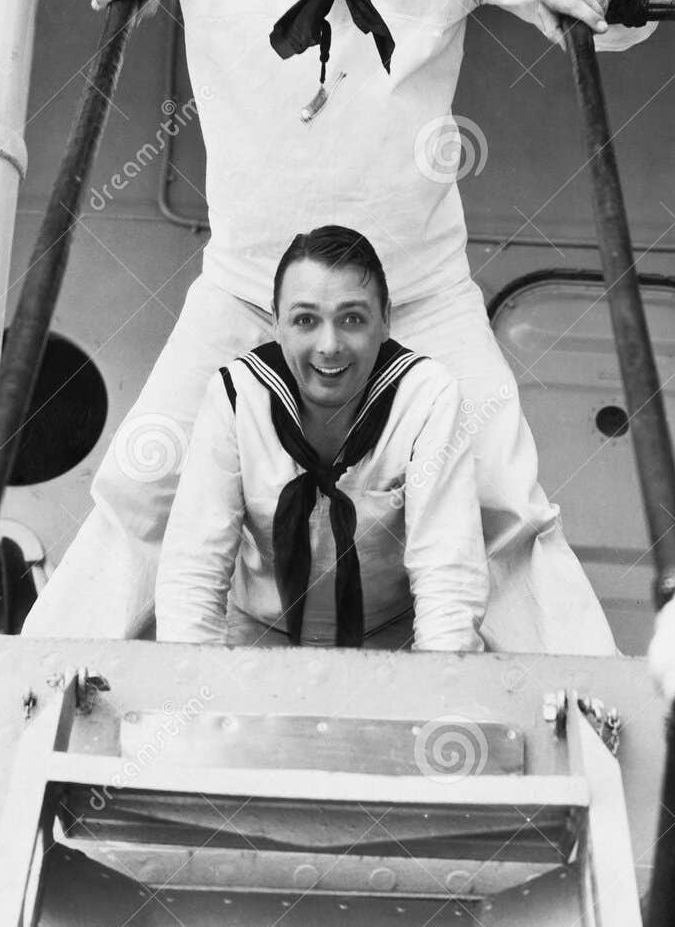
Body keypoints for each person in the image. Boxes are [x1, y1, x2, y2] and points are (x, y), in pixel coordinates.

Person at [26, 0, 657, 654]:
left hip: (417, 287)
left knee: (506, 501)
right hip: (247, 286)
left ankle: (597, 721)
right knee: (143, 481)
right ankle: (21, 705)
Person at [156, 225, 487, 653]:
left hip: (389, 635)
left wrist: (435, 690)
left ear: (385, 320)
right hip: (259, 631)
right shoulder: (236, 397)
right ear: (276, 322)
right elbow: (194, 567)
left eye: (352, 318)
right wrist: (191, 690)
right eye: (305, 320)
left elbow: (448, 572)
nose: (329, 345)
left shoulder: (427, 399)